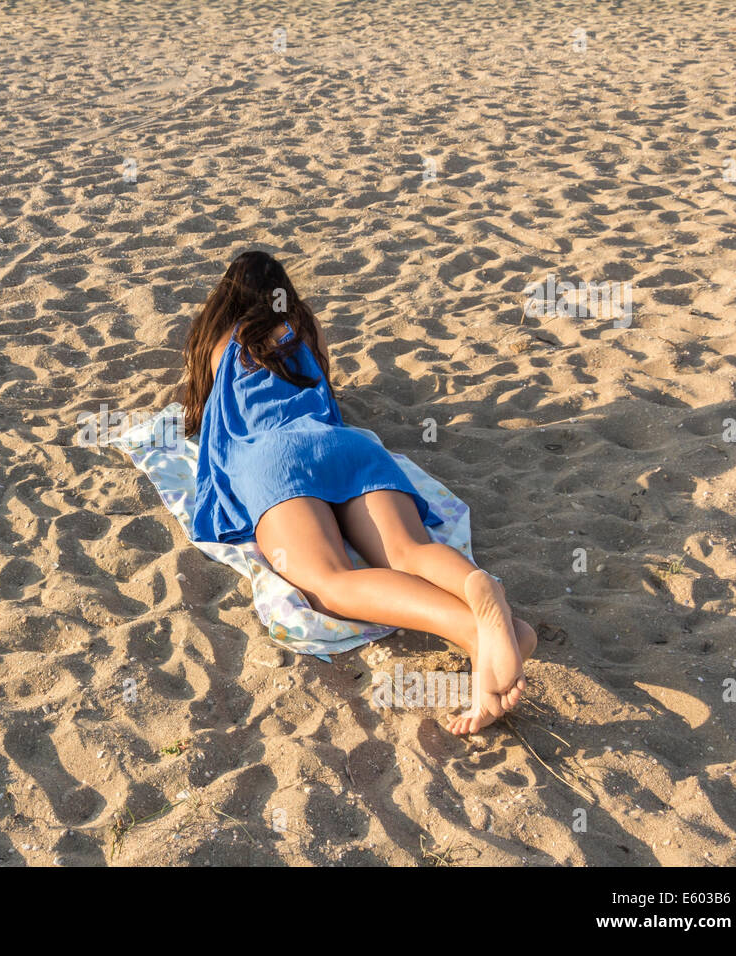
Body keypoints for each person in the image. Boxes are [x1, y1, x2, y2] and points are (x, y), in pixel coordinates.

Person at [179, 250, 535, 734]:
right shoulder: (304, 328)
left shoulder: (216, 343)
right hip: (344, 447)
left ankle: (473, 631)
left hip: (274, 459)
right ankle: (483, 598)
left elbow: (203, 417)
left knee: (330, 582)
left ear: (224, 299)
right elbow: (324, 388)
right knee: (411, 550)